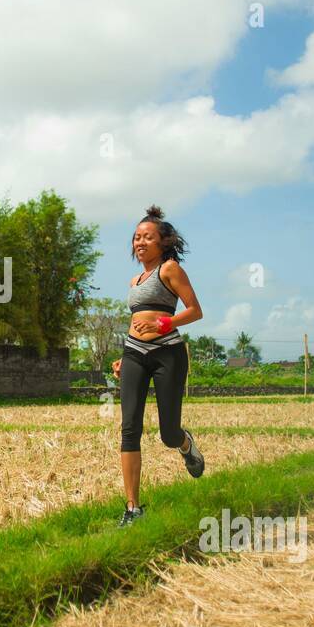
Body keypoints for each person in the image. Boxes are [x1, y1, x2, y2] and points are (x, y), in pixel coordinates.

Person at [111, 205, 205, 527]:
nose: (139, 243)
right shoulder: (135, 279)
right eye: (136, 238)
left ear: (163, 242)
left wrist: (165, 325)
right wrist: (126, 355)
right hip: (135, 352)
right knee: (129, 429)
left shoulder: (170, 269)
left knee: (167, 433)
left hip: (168, 353)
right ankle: (133, 508)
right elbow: (137, 320)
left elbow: (194, 311)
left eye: (147, 237)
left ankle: (185, 443)